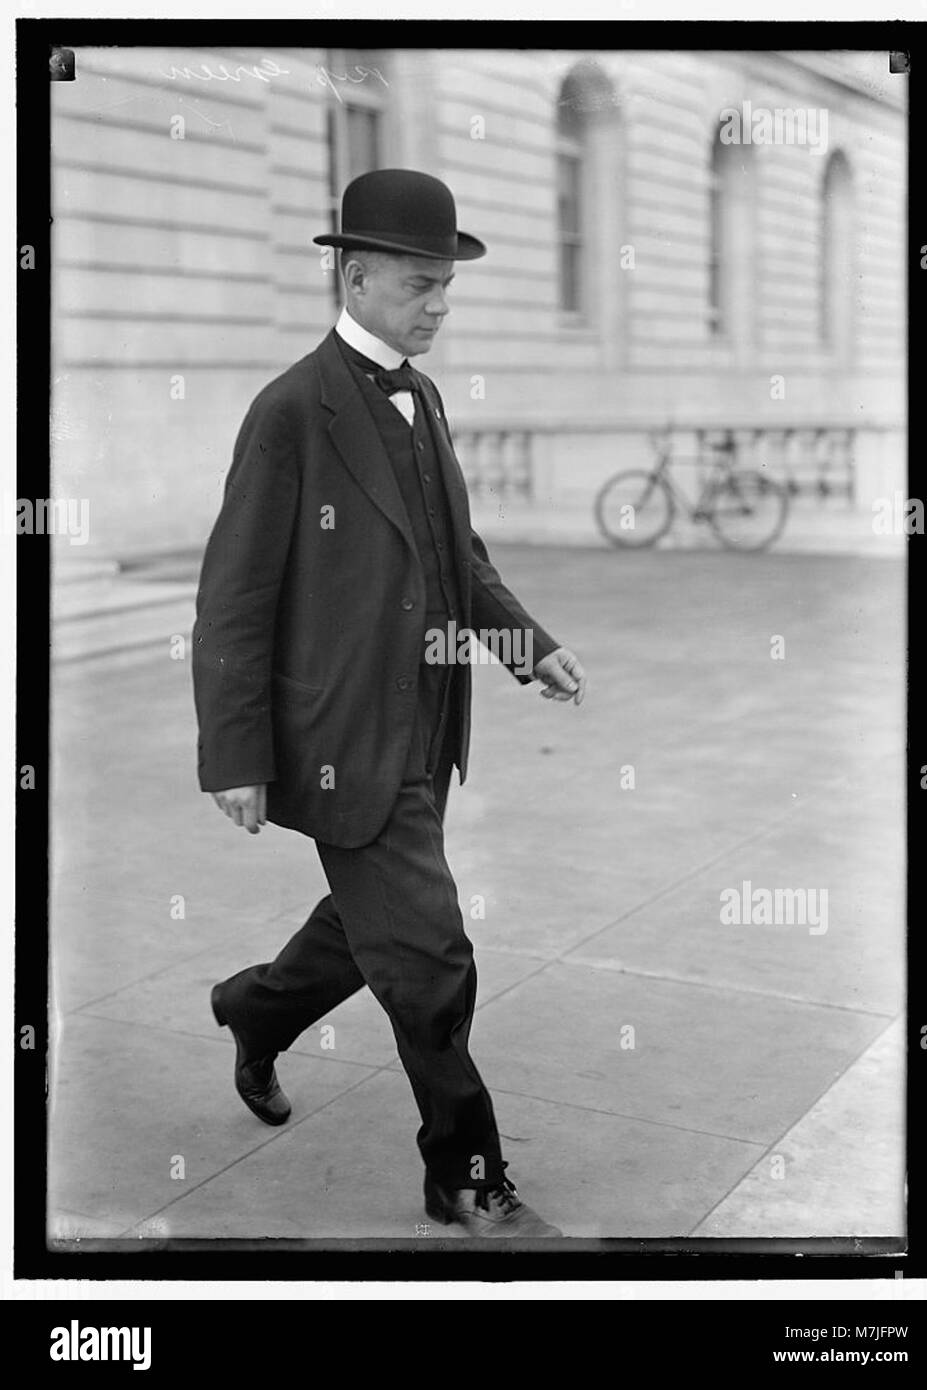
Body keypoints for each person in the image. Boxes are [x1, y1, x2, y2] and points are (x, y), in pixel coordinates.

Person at [193, 168, 587, 1238]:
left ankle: (255, 1007)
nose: (439, 305)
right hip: (337, 738)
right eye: (422, 284)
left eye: (446, 285)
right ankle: (464, 1173)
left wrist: (523, 647)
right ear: (355, 277)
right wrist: (234, 751)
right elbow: (232, 598)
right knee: (427, 953)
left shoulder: (425, 395)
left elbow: (453, 552)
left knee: (369, 925)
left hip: (425, 727)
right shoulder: (289, 411)